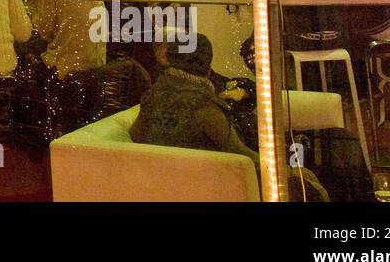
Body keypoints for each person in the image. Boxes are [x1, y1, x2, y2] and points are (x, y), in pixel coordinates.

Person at [130, 35, 330, 201]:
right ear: (207, 68)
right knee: (306, 185)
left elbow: (136, 136)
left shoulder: (153, 96)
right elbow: (241, 155)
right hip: (208, 185)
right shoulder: (202, 104)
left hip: (159, 182)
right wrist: (288, 171)